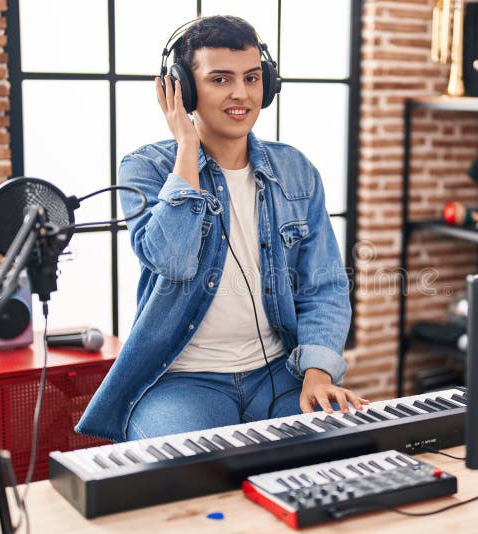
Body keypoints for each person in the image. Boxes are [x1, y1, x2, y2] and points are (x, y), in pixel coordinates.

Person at [76, 15, 366, 443]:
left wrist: (317, 373)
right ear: (183, 90)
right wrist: (187, 148)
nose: (241, 94)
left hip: (278, 373)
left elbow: (323, 286)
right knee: (189, 470)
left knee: (346, 448)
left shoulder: (296, 169)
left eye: (252, 78)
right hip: (182, 381)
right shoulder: (147, 168)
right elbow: (172, 260)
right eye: (220, 79)